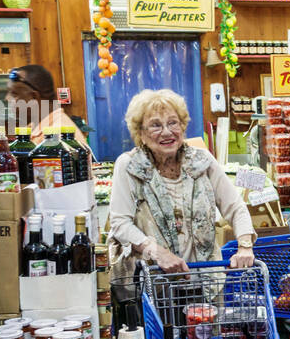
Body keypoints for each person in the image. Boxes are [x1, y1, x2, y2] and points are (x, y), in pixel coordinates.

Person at [107, 88, 256, 279]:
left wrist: (245, 246)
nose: (166, 132)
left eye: (173, 123)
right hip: (153, 282)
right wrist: (158, 253)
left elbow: (235, 207)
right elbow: (120, 224)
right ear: (141, 133)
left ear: (183, 127)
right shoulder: (129, 166)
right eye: (155, 125)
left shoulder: (202, 161)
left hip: (206, 279)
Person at [6, 64, 91, 156]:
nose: (7, 98)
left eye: (14, 94)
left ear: (34, 97)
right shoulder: (33, 127)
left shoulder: (58, 135)